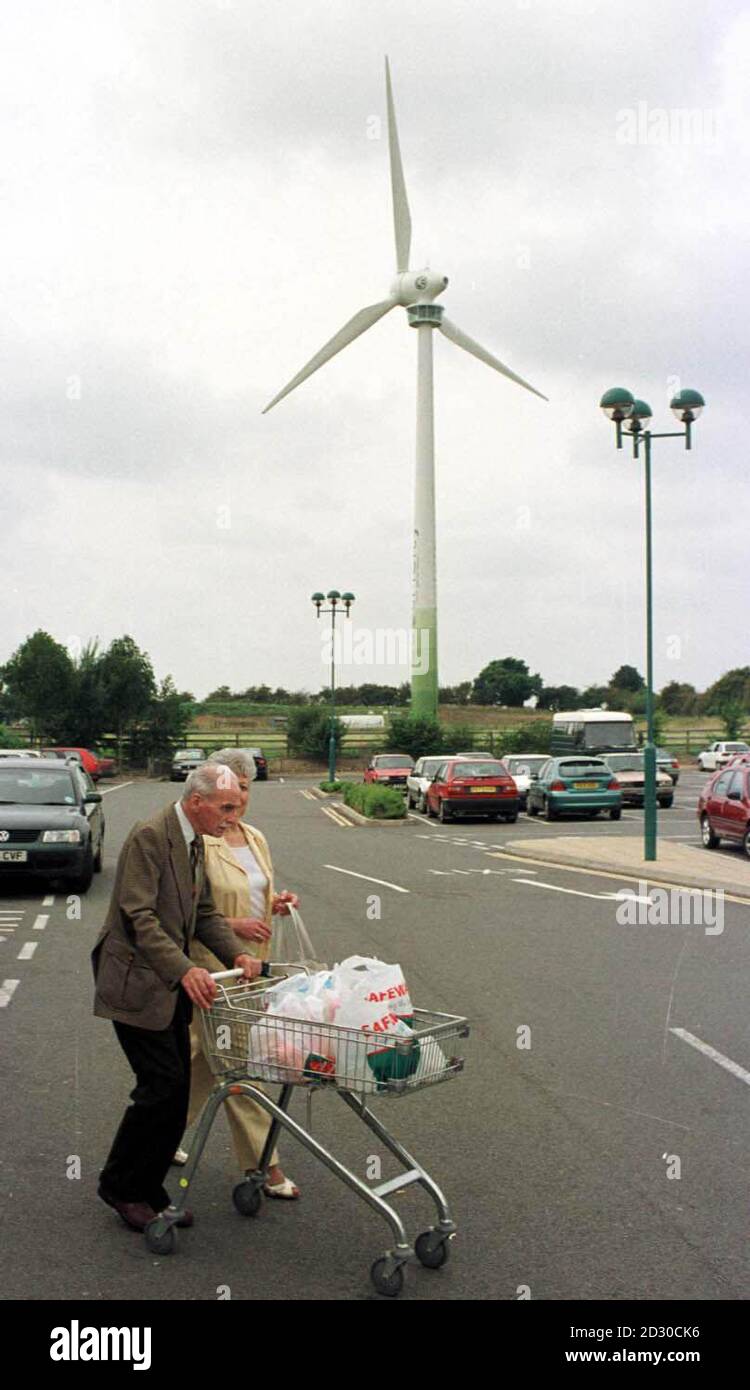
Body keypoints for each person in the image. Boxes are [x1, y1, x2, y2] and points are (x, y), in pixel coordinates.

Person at [92, 763, 264, 1232]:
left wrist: (239, 954)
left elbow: (204, 912)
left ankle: (147, 1188)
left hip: (168, 984)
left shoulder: (193, 841)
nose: (233, 815)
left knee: (175, 1088)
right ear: (196, 802)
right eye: (226, 807)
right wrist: (185, 968)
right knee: (160, 1086)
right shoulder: (150, 836)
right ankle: (121, 1186)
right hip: (135, 984)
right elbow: (138, 916)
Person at [177, 748, 301, 1199]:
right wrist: (234, 927)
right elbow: (189, 912)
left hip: (252, 968)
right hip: (212, 971)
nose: (240, 800)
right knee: (240, 1067)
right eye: (232, 791)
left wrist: (274, 905)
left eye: (246, 788)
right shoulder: (198, 841)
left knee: (199, 1066)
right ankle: (264, 1167)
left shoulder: (254, 837)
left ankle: (157, 1134)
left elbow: (253, 894)